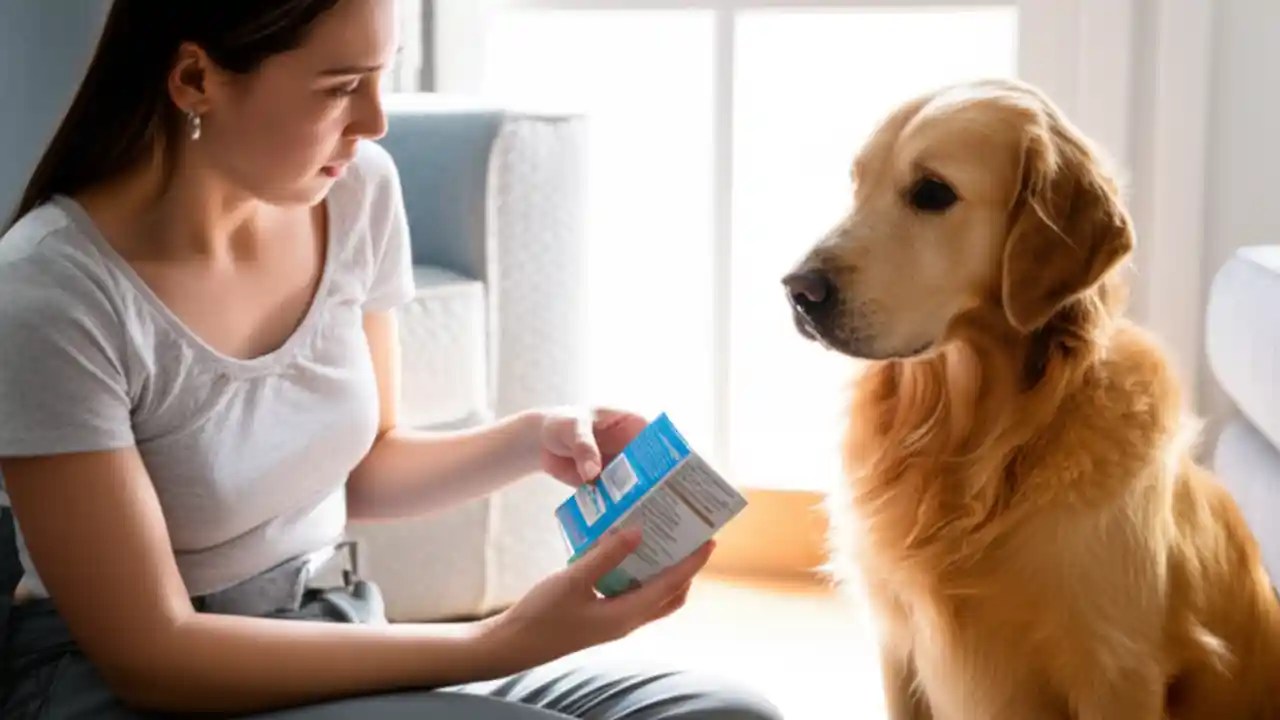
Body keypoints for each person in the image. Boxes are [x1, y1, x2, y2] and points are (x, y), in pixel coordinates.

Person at [0, 1, 782, 718]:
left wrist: (533, 438)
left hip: (330, 631)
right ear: (197, 78)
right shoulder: (51, 295)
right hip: (139, 685)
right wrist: (499, 642)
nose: (375, 121)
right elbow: (152, 653)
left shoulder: (355, 193)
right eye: (341, 87)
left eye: (384, 76)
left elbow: (364, 466)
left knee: (723, 712)